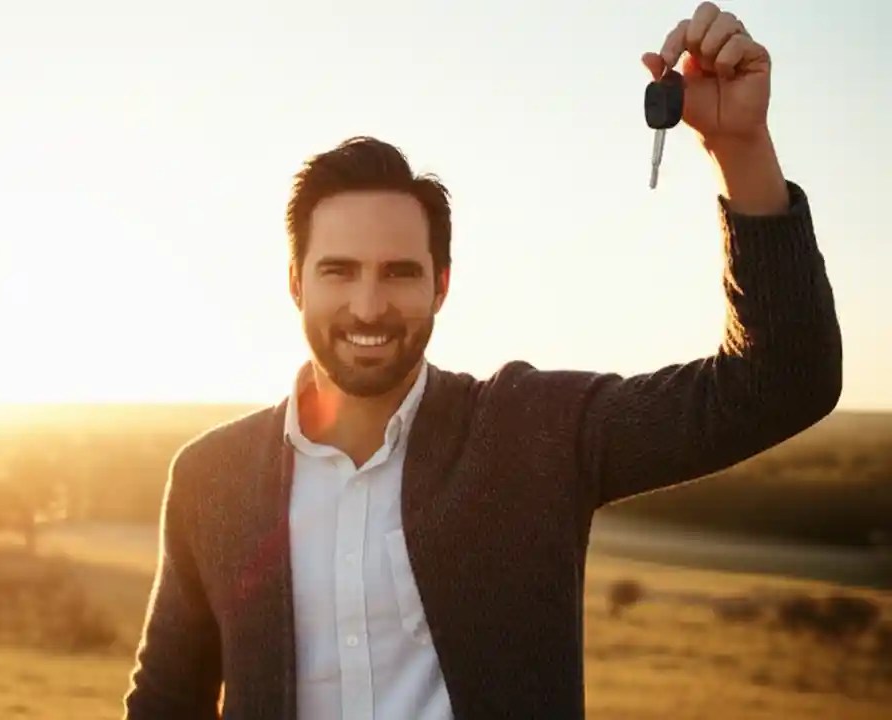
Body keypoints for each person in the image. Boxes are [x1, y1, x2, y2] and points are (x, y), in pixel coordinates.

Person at [122, 2, 842, 718]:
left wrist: (740, 148)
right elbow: (165, 703)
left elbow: (781, 381)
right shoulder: (209, 480)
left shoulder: (532, 433)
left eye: (399, 273)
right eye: (339, 271)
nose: (369, 307)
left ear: (441, 284)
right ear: (294, 282)